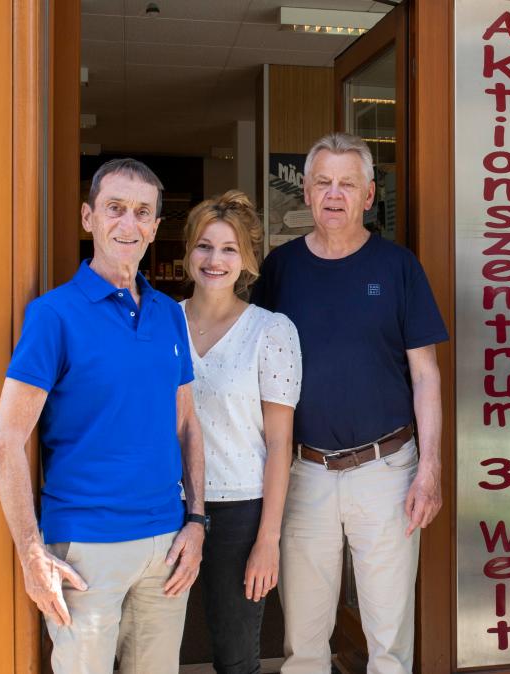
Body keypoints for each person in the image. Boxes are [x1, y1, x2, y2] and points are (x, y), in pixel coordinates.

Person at [0, 158, 206, 674]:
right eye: (114, 209)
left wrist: (196, 522)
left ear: (155, 226)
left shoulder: (170, 314)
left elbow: (188, 424)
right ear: (88, 218)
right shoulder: (53, 315)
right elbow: (4, 440)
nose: (127, 224)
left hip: (166, 547)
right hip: (85, 551)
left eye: (141, 212)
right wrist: (31, 553)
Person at [251, 132, 447, 674]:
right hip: (304, 472)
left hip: (387, 471)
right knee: (304, 643)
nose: (334, 194)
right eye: (322, 183)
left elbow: (426, 376)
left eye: (347, 184)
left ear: (367, 194)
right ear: (307, 194)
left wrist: (428, 470)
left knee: (389, 643)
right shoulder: (280, 269)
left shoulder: (398, 267)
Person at [180, 190, 301, 674]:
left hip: (239, 513)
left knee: (236, 658)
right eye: (205, 246)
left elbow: (279, 444)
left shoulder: (270, 331)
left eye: (229, 249)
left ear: (247, 259)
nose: (215, 259)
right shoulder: (159, 320)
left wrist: (267, 539)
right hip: (166, 506)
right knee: (154, 649)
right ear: (188, 251)